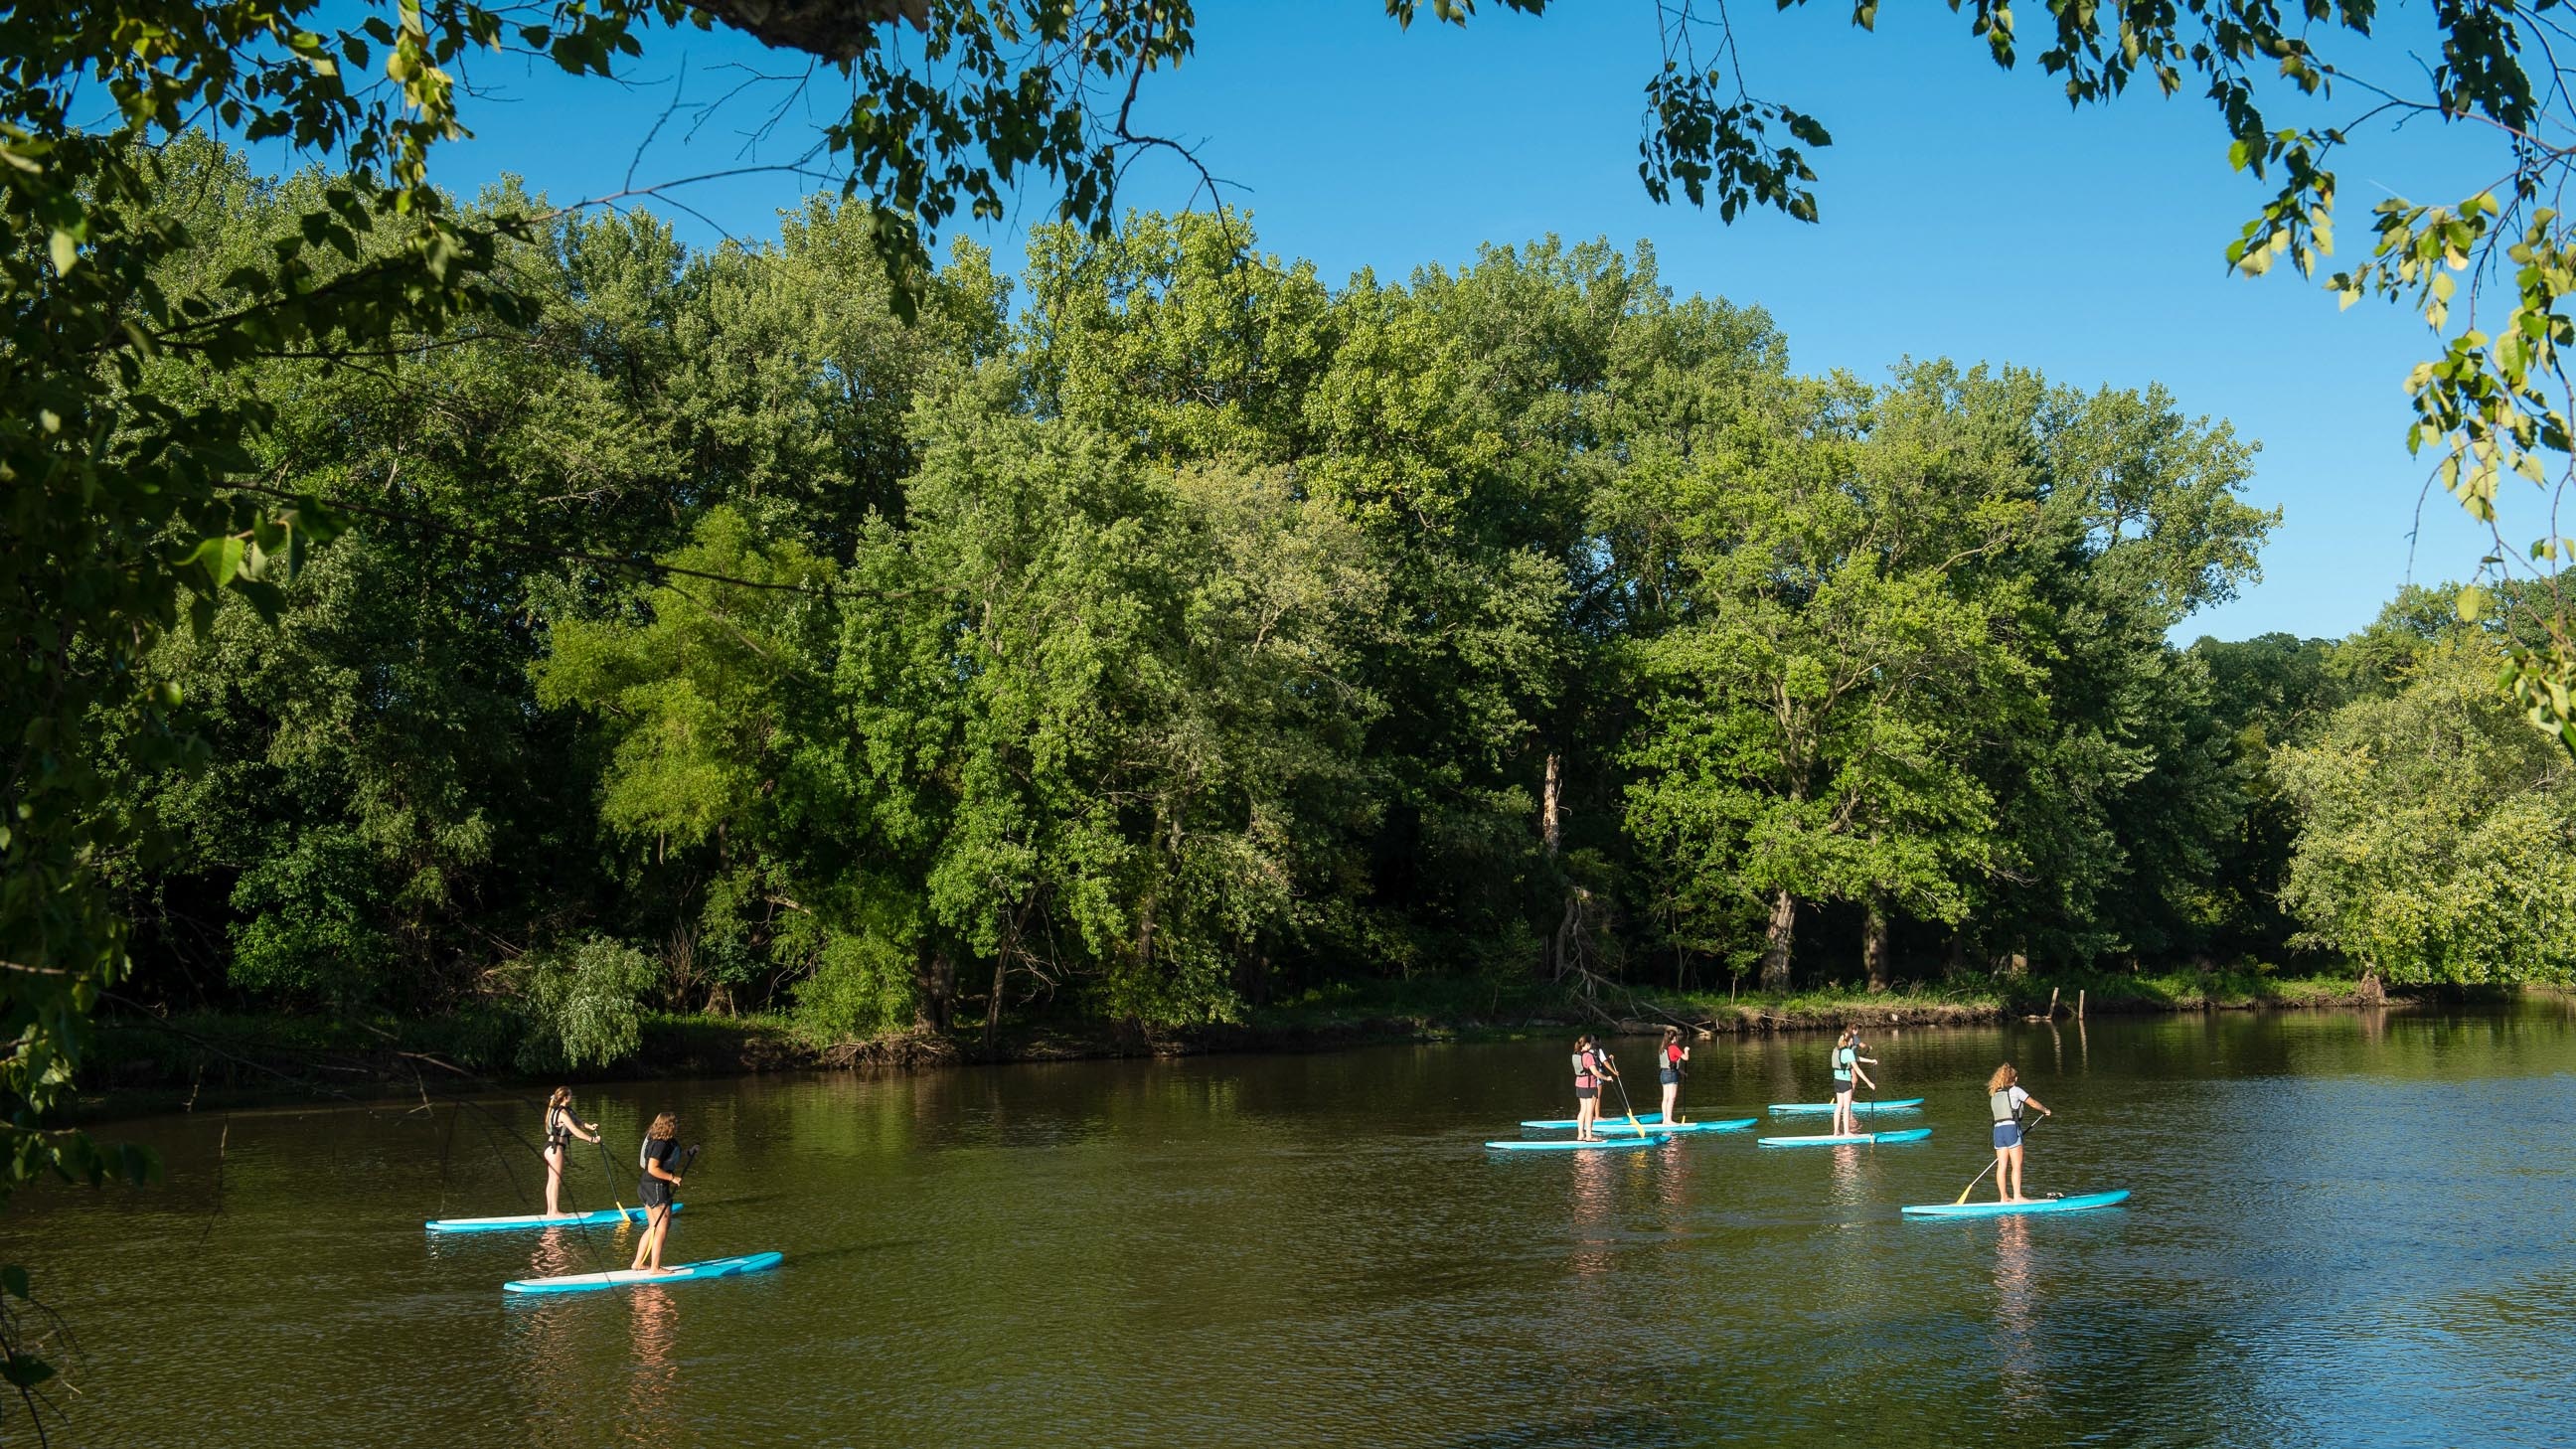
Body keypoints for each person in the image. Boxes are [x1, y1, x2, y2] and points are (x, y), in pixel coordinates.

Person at [1987, 1063, 2052, 1203]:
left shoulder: (1994, 1093)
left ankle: (2003, 1197)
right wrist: (2045, 1110)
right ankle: (2018, 1196)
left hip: (1998, 1131)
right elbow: (2033, 1103)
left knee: (2002, 1166)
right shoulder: (2016, 1090)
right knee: (2016, 1165)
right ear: (2015, 1079)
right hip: (2011, 1130)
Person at [631, 1112, 686, 1273]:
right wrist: (672, 1178)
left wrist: (689, 1152)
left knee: (653, 1227)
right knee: (662, 1227)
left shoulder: (662, 1141)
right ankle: (655, 1267)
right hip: (655, 1188)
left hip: (647, 1186)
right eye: (675, 1123)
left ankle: (638, 1263)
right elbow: (652, 1168)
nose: (677, 1126)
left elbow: (669, 1157)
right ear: (669, 1125)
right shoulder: (660, 1144)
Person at [540, 1087, 602, 1217]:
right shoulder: (562, 1113)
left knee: (552, 1179)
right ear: (565, 1097)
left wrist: (590, 1127)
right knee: (556, 1180)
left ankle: (550, 1211)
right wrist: (592, 1139)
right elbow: (575, 1131)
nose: (572, 1097)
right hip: (556, 1148)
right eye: (571, 1095)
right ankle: (554, 1212)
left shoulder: (564, 1110)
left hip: (550, 1147)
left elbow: (578, 1122)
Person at [1829, 1027, 1878, 1137]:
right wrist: (1869, 1083)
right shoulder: (1848, 1052)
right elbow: (1858, 1070)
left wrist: (1871, 1061)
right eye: (1852, 1039)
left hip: (1837, 1080)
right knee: (1847, 1107)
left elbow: (1856, 1058)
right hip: (1845, 1081)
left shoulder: (1836, 1050)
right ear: (1850, 1040)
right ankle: (1847, 1132)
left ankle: (1836, 1132)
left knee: (1839, 1106)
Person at [1570, 1035, 1614, 1141]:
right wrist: (1607, 1078)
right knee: (1589, 1111)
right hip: (1589, 1085)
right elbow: (1595, 1072)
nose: (1591, 1045)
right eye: (1590, 1043)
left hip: (1579, 1084)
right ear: (1587, 1044)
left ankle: (1580, 1135)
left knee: (1583, 1110)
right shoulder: (1588, 1056)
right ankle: (1589, 1136)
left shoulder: (1576, 1054)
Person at [1657, 1028, 1690, 1125]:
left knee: (1665, 1098)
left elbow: (1670, 1063)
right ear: (1674, 1038)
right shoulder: (1673, 1048)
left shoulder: (1662, 1048)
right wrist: (1686, 1050)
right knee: (1671, 1098)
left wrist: (1682, 1072)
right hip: (1671, 1075)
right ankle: (1669, 1119)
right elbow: (1686, 1058)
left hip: (1663, 1075)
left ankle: (1665, 1119)